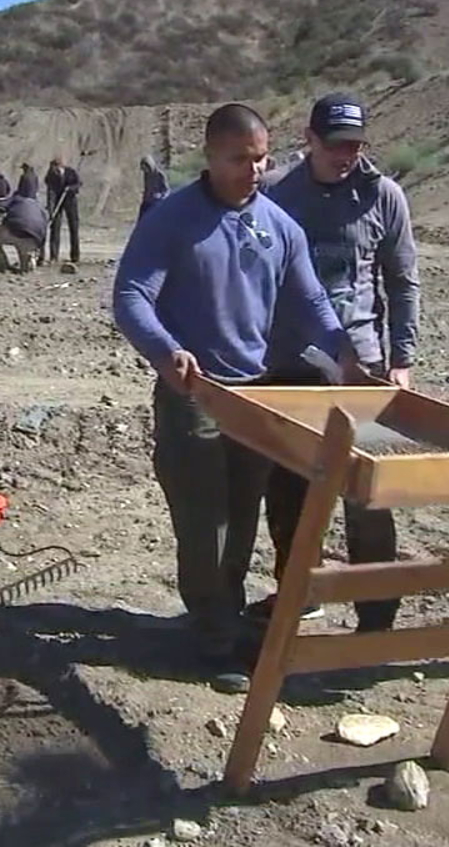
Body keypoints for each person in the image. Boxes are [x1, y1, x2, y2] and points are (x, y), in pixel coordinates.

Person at [113, 104, 347, 693]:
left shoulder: (279, 226)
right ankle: (213, 634)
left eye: (262, 157)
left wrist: (347, 352)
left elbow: (312, 302)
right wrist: (166, 352)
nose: (254, 169)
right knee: (203, 519)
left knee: (243, 512)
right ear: (211, 157)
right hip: (195, 390)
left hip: (255, 393)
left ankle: (228, 613)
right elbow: (132, 295)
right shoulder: (174, 219)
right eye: (241, 158)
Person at [258, 92, 421, 632]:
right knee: (287, 490)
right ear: (309, 140)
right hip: (289, 363)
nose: (345, 155)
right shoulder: (277, 192)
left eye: (355, 145)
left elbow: (401, 281)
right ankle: (297, 588)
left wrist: (402, 358)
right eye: (335, 145)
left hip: (362, 366)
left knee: (368, 493)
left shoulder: (384, 196)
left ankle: (376, 613)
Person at [0, 193, 47, 274]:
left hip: (15, 232)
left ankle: (3, 264)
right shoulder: (38, 205)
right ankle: (29, 261)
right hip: (33, 239)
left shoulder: (16, 199)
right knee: (25, 259)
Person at [44, 158, 82, 265]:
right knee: (55, 228)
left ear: (60, 167)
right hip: (57, 202)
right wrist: (51, 211)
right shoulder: (50, 176)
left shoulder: (71, 172)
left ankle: (75, 256)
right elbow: (50, 193)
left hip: (70, 201)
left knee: (74, 228)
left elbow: (79, 184)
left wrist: (70, 188)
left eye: (54, 168)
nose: (53, 170)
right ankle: (53, 256)